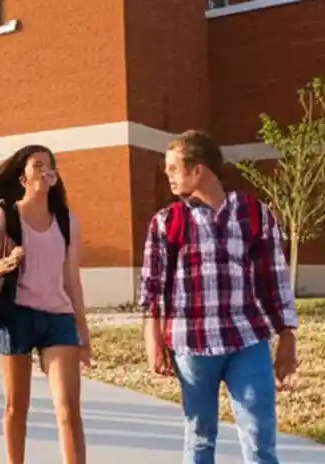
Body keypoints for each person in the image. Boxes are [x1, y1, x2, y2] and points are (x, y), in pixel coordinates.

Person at [139, 130, 298, 464]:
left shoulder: (254, 214)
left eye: (173, 168)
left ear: (197, 170)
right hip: (192, 345)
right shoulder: (167, 222)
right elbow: (153, 286)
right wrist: (153, 338)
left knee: (260, 439)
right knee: (199, 439)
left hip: (247, 341)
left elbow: (275, 278)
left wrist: (287, 335)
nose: (167, 176)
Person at [0, 144, 91, 464]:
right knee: (16, 408)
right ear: (22, 177)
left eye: (50, 166)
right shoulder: (3, 216)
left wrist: (83, 333)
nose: (46, 170)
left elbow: (72, 280)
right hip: (16, 316)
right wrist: (6, 263)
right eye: (38, 165)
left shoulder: (66, 221)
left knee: (68, 410)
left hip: (58, 318)